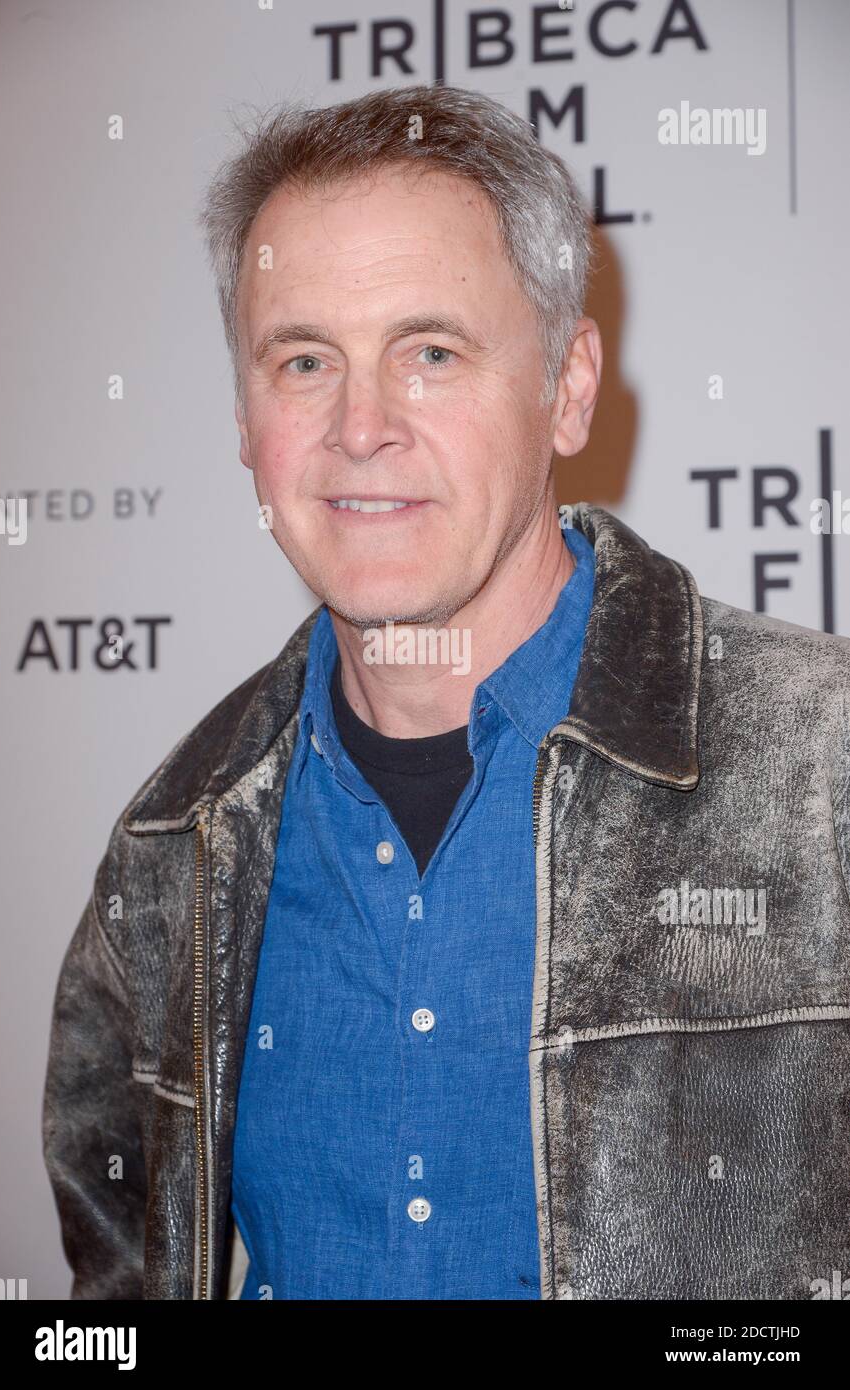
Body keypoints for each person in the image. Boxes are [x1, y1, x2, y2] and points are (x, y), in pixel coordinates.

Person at [43, 83, 850, 1301]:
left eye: (429, 352)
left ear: (567, 384)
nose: (360, 428)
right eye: (303, 359)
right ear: (244, 417)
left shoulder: (822, 771)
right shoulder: (173, 850)